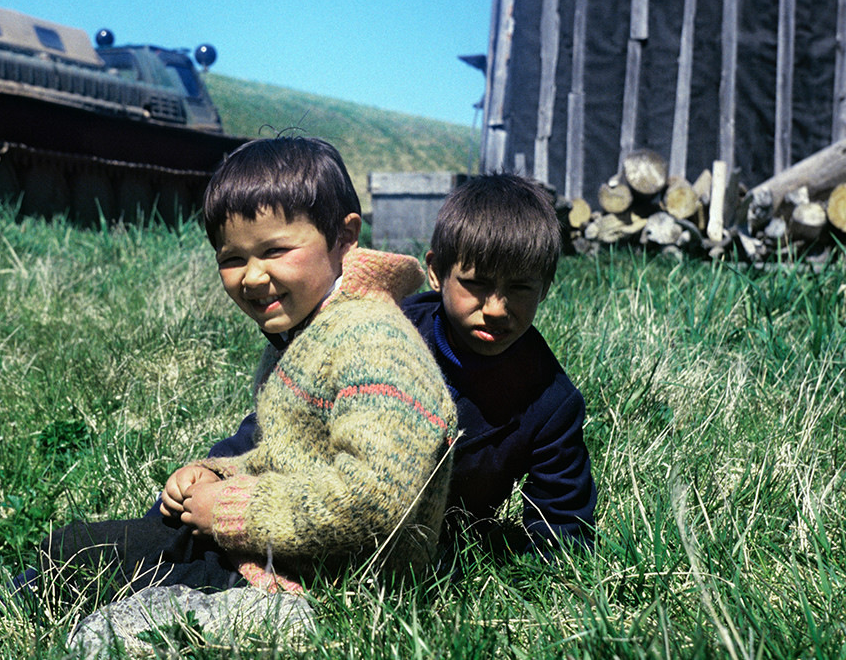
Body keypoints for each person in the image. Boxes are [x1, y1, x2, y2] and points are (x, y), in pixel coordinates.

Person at [37, 136, 457, 600]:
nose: (253, 277)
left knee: (81, 566)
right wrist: (218, 476)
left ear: (344, 237)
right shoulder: (310, 327)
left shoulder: (373, 343)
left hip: (326, 580)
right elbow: (292, 459)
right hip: (281, 550)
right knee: (73, 549)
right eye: (232, 259)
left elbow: (375, 501)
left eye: (275, 251)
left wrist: (230, 509)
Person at [174, 173, 595, 564]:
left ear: (545, 287)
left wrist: (531, 567)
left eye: (520, 288)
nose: (497, 308)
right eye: (476, 283)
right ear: (436, 272)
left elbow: (562, 529)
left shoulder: (550, 402)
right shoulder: (380, 330)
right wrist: (216, 468)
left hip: (413, 558)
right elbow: (286, 411)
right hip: (314, 510)